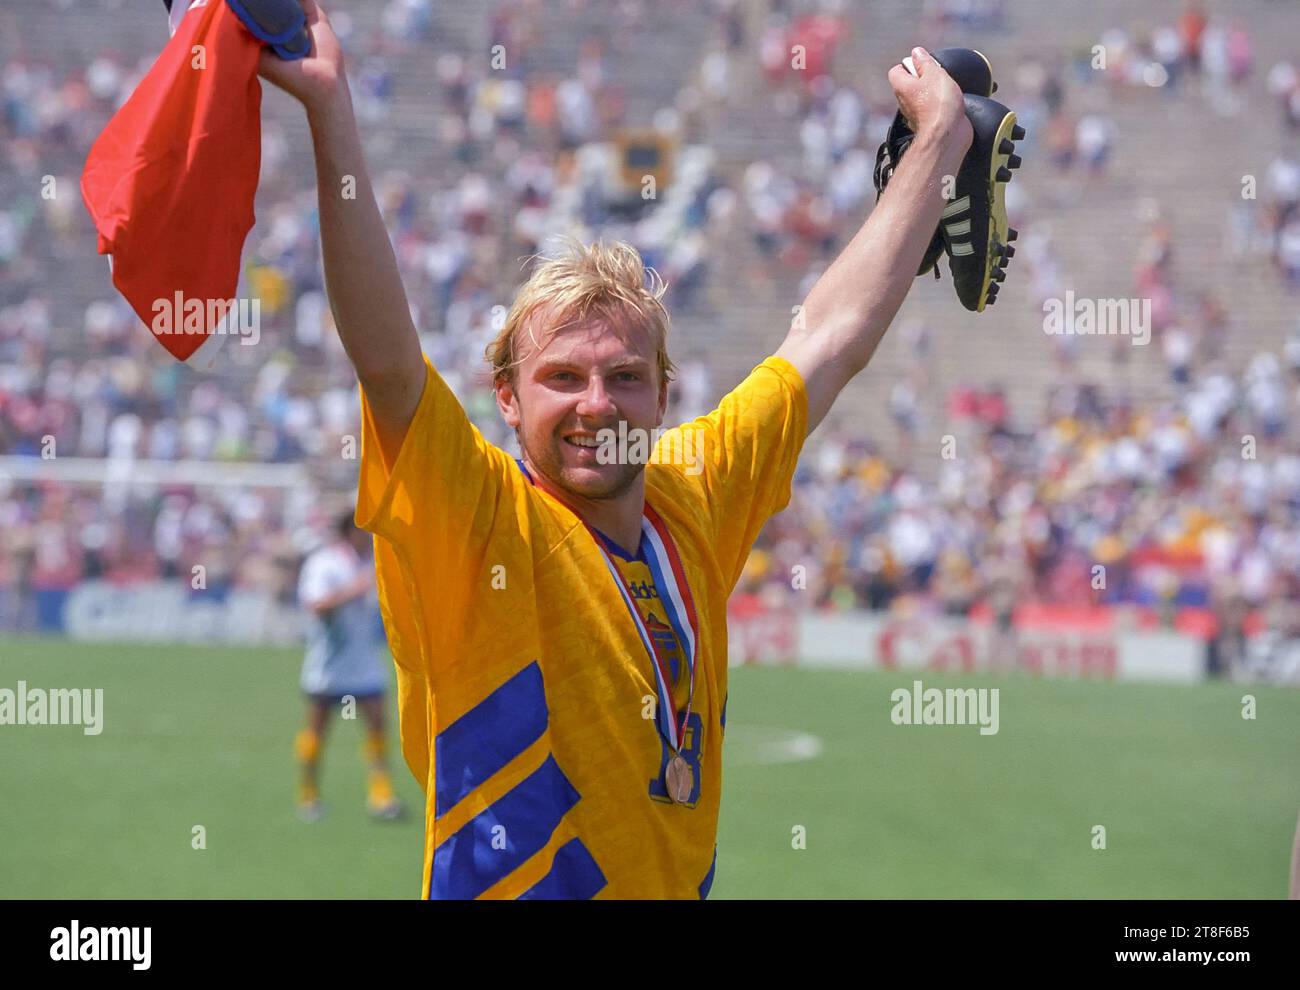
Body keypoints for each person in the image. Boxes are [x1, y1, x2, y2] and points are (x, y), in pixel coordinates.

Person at [260, 0, 971, 898]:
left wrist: (938, 145)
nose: (597, 403)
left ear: (664, 396)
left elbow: (827, 336)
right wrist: (330, 112)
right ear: (508, 401)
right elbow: (389, 365)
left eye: (625, 377)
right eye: (562, 378)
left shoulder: (694, 494)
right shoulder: (478, 520)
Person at [295, 509, 405, 823]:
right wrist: (352, 591)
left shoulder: (372, 561)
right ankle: (308, 794)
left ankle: (381, 796)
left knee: (377, 726)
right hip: (329, 665)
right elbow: (316, 605)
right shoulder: (325, 564)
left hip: (364, 662)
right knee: (317, 730)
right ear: (350, 532)